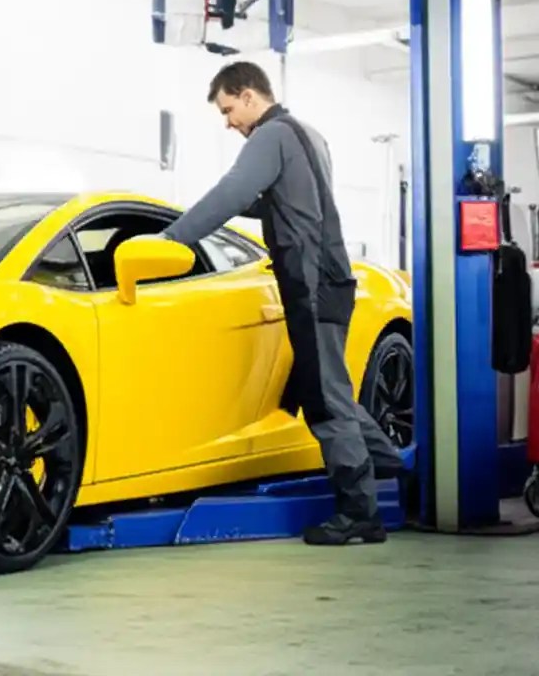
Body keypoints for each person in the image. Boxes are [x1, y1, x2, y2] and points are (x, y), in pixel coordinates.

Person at [152, 61, 406, 546]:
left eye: (228, 110)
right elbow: (282, 200)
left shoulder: (270, 137)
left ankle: (359, 512)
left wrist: (171, 238)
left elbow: (232, 194)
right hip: (328, 280)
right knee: (328, 389)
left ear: (249, 96)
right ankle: (394, 470)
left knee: (325, 401)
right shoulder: (308, 135)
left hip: (311, 285)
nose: (229, 123)